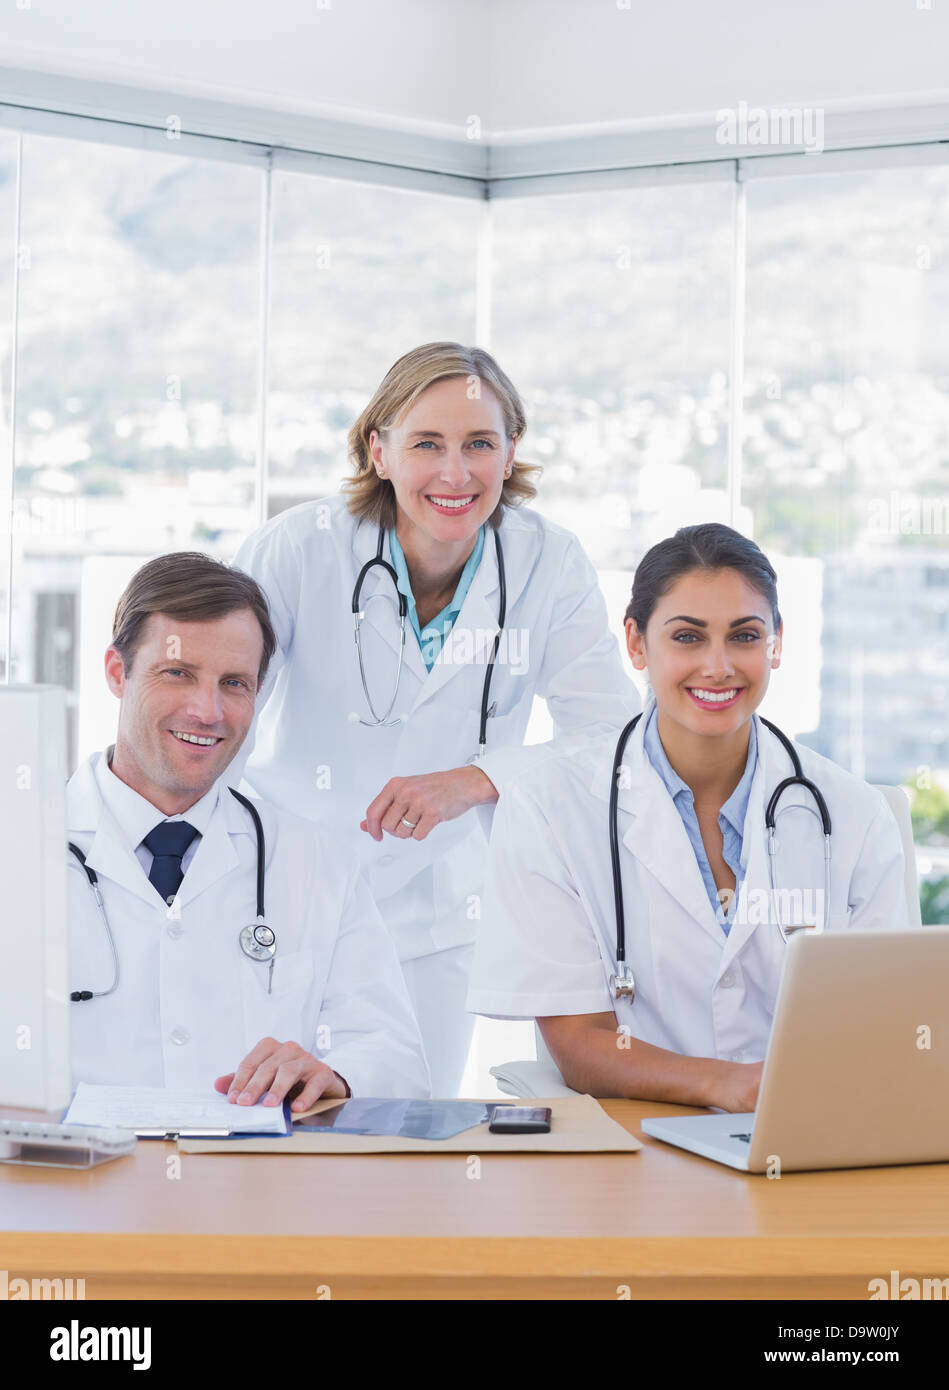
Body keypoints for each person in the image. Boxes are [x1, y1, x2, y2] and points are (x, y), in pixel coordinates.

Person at [232, 342, 639, 1095]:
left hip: (438, 909)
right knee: (276, 1126)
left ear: (511, 451)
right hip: (287, 892)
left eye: (479, 444)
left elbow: (613, 738)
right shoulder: (298, 548)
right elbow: (223, 708)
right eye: (427, 444)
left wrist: (477, 779)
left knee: (406, 1136)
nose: (455, 474)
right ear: (377, 449)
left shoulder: (548, 562)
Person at [467, 523, 909, 1111]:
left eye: (745, 636)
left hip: (805, 1132)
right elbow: (578, 1042)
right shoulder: (550, 805)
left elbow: (884, 1019)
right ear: (636, 644)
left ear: (776, 643)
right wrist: (727, 1085)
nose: (719, 666)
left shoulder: (853, 814)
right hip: (628, 1147)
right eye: (688, 637)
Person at [67, 553, 430, 1110]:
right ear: (118, 673)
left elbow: (396, 1058)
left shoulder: (313, 860)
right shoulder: (20, 847)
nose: (207, 711)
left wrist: (334, 1072)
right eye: (178, 673)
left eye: (234, 683)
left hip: (259, 1188)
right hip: (70, 1186)